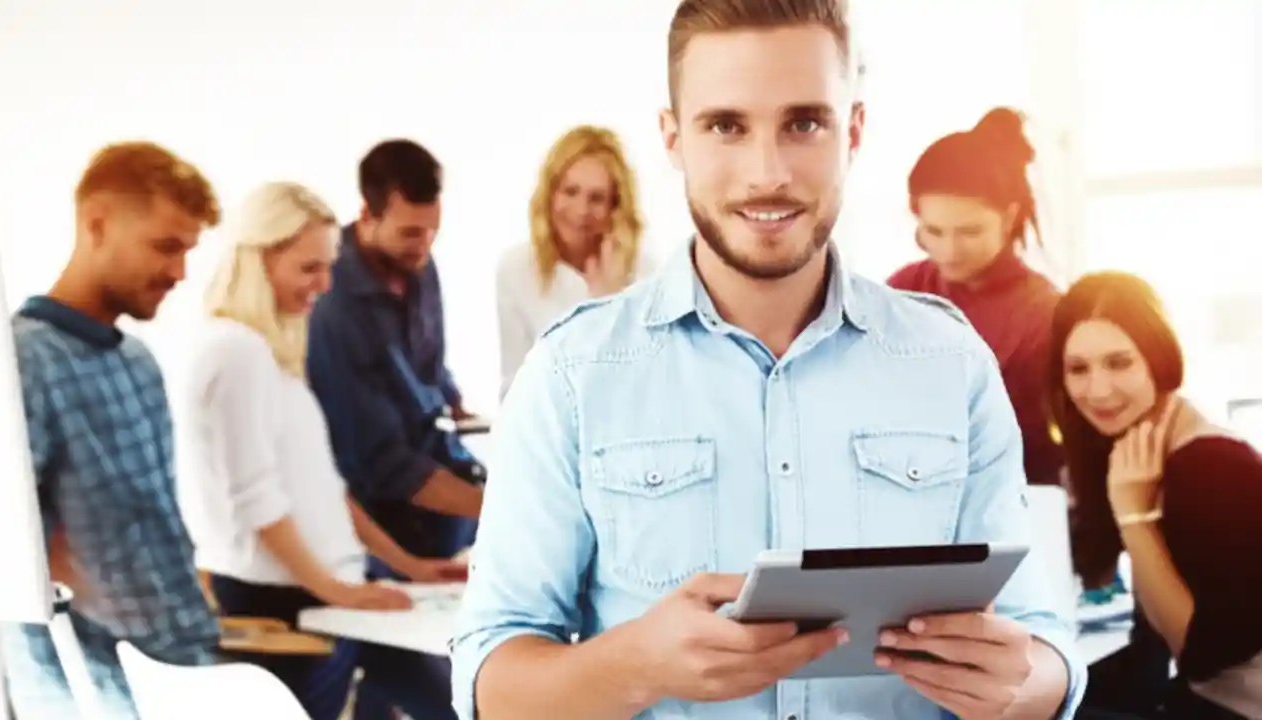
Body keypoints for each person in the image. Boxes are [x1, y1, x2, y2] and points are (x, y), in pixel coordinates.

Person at [450, 2, 1084, 719]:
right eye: (726, 126)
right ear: (673, 138)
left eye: (804, 123)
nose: (767, 172)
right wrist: (635, 664)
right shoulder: (570, 374)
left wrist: (1017, 685)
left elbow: (1044, 652)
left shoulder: (951, 363)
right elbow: (489, 688)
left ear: (853, 131)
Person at [174, 181, 468, 719]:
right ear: (259, 258)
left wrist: (409, 566)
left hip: (333, 590)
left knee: (457, 703)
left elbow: (326, 490)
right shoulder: (234, 351)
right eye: (309, 268)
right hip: (286, 600)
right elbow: (257, 501)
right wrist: (337, 592)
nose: (325, 285)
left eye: (329, 266)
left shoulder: (269, 353)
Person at [0, 142, 222, 718]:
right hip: (90, 689)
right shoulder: (20, 363)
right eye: (165, 247)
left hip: (181, 665)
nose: (179, 273)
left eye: (187, 251)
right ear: (97, 224)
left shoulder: (139, 362)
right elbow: (8, 551)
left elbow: (153, 517)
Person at [306, 139, 481, 719]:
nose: (423, 245)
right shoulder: (334, 307)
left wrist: (455, 402)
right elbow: (382, 464)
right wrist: (499, 505)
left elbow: (430, 368)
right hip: (381, 517)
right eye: (410, 232)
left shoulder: (419, 266)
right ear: (367, 215)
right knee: (434, 685)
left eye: (431, 231)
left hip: (439, 497)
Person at [1050, 272, 1262, 719]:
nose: (1098, 390)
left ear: (1157, 358)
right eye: (1078, 369)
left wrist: (1135, 516)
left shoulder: (1215, 465)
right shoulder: (1133, 449)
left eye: (1119, 362)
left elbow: (1201, 656)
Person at [887, 108, 1064, 487]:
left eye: (969, 232)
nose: (949, 251)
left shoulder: (1044, 313)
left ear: (1009, 216)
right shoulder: (903, 290)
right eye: (934, 231)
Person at [495, 125, 653, 397]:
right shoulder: (516, 268)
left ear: (615, 206)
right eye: (570, 192)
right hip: (545, 417)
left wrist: (609, 298)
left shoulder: (644, 272)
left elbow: (640, 380)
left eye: (597, 198)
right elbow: (515, 384)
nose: (582, 210)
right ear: (550, 193)